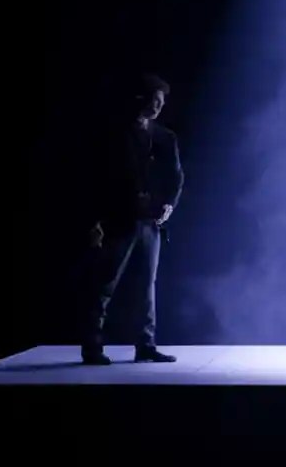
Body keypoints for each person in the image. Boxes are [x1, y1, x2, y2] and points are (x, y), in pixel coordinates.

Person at [81, 74, 184, 365]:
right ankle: (92, 346)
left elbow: (176, 178)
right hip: (118, 218)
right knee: (105, 284)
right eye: (152, 100)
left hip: (150, 222)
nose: (157, 106)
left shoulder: (164, 137)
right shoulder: (113, 135)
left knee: (146, 286)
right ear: (138, 99)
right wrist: (95, 222)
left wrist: (168, 205)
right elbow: (95, 180)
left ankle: (146, 345)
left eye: (161, 102)